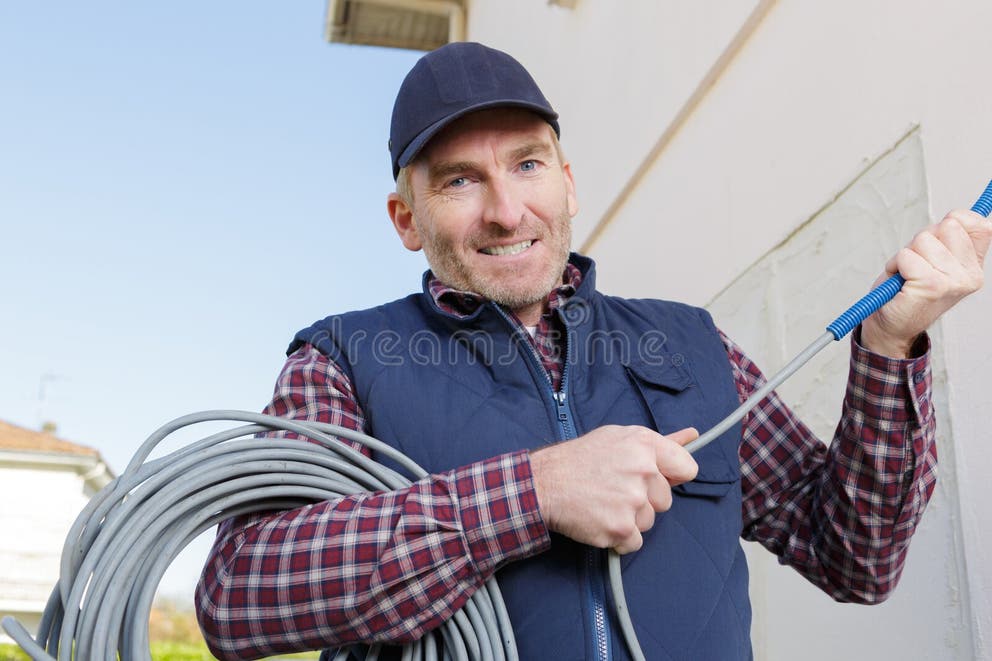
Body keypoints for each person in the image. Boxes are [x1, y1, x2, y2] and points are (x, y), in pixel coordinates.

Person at [195, 42, 990, 660]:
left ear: (568, 183)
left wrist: (888, 345)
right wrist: (531, 493)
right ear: (406, 218)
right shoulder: (344, 359)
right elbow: (241, 591)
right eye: (460, 181)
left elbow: (854, 555)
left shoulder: (690, 345)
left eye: (528, 165)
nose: (508, 211)